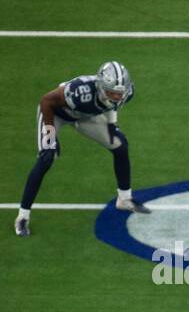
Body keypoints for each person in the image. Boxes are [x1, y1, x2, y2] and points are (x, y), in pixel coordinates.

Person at [15, 60, 150, 237]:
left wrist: (112, 125)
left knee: (120, 145)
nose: (117, 97)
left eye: (119, 94)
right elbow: (46, 101)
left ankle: (124, 199)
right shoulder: (80, 91)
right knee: (47, 158)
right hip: (56, 113)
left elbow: (111, 105)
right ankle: (22, 217)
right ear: (101, 87)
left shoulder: (125, 92)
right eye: (112, 93)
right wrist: (50, 133)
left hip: (85, 116)